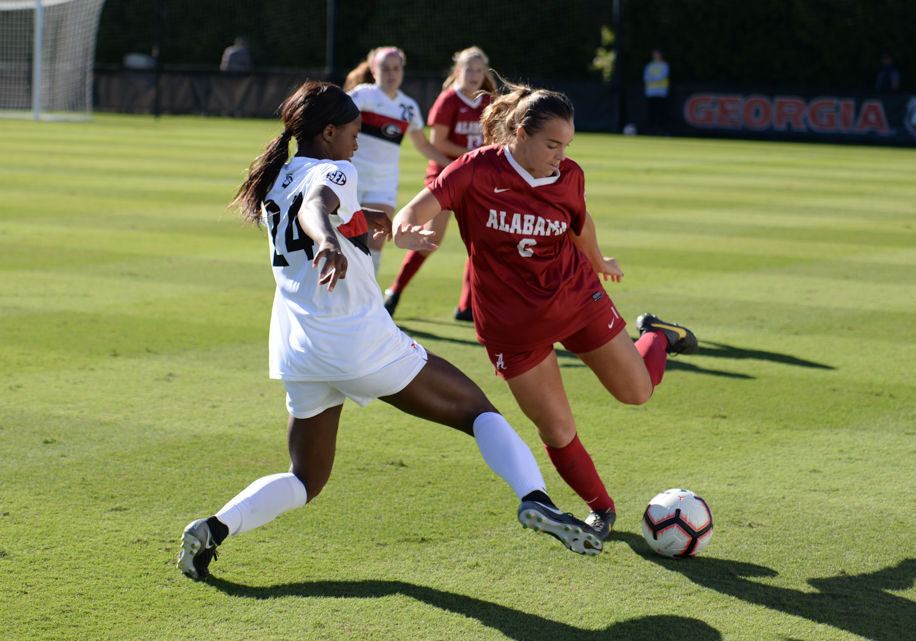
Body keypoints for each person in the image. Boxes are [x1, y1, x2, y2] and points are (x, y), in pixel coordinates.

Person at [176, 81, 600, 581]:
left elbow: (312, 206)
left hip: (299, 346)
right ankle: (535, 498)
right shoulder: (335, 168)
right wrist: (330, 240)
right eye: (355, 132)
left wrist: (369, 220)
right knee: (477, 412)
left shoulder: (277, 177)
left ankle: (214, 528)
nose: (360, 142)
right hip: (356, 339)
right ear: (328, 132)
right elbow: (316, 207)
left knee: (305, 478)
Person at [392, 80, 699, 544]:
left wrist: (598, 261)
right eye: (552, 144)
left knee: (637, 392)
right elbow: (420, 205)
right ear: (519, 133)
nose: (561, 154)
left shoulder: (569, 175)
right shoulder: (475, 169)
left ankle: (656, 335)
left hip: (576, 300)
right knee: (555, 428)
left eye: (567, 145)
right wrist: (402, 229)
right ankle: (602, 510)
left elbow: (580, 221)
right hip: (510, 327)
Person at [383, 46, 496, 321]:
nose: (473, 74)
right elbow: (439, 143)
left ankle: (466, 306)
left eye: (479, 70)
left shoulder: (488, 101)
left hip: (476, 178)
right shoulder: (448, 100)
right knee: (430, 238)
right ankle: (394, 292)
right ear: (458, 71)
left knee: (481, 241)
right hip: (446, 176)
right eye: (469, 69)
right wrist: (474, 157)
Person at [343, 46, 451, 276]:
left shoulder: (408, 107)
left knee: (376, 242)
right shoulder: (363, 95)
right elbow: (337, 119)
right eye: (385, 68)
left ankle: (367, 299)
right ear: (374, 70)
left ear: (402, 71)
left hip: (384, 182)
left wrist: (450, 165)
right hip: (353, 176)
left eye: (396, 69)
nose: (391, 74)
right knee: (347, 237)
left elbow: (422, 144)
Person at [643, 49, 669, 135]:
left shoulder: (664, 65)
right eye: (655, 54)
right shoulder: (649, 66)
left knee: (661, 112)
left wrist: (653, 78)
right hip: (650, 93)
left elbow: (661, 77)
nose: (656, 56)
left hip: (661, 93)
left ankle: (661, 130)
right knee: (651, 113)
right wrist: (655, 78)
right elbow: (646, 78)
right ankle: (650, 130)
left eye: (657, 54)